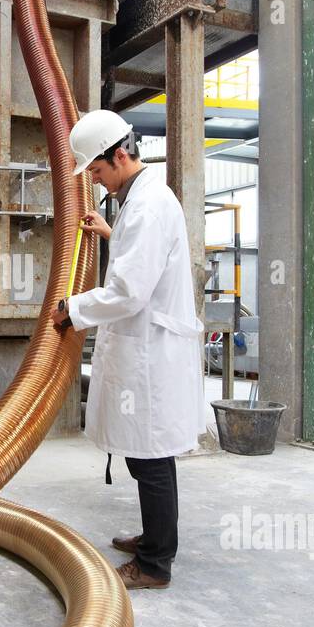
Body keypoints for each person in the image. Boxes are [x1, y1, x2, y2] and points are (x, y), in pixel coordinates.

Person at [52, 109, 206, 590]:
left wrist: (71, 308)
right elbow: (144, 258)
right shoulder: (140, 203)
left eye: (97, 171)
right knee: (144, 455)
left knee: (153, 458)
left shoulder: (147, 206)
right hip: (145, 348)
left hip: (151, 355)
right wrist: (109, 234)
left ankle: (156, 564)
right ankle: (152, 539)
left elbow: (129, 292)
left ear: (120, 155)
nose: (95, 180)